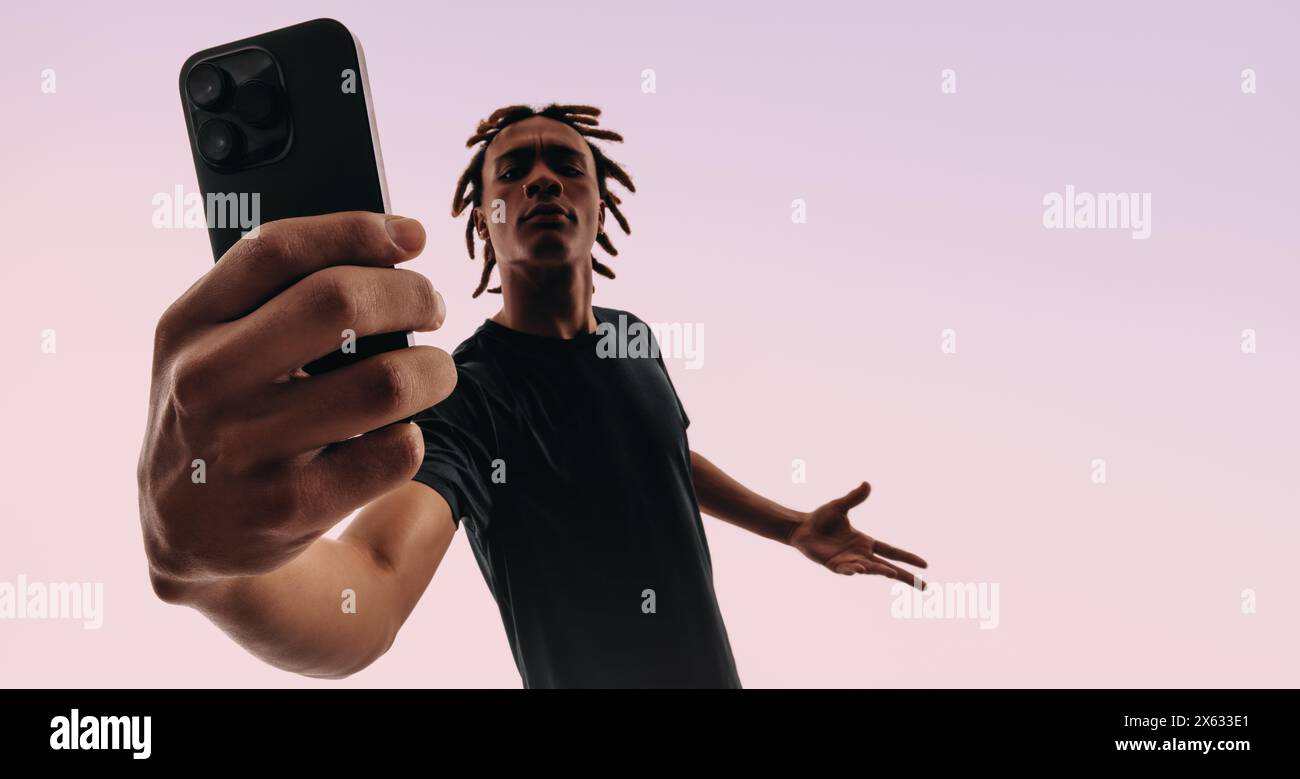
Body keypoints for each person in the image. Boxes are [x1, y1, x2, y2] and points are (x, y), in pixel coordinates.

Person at [136, 103, 927, 688]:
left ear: (600, 204)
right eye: (513, 171)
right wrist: (217, 569)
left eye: (564, 163)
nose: (541, 177)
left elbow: (660, 452)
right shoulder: (469, 396)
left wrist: (790, 526)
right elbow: (369, 584)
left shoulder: (634, 338)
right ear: (486, 219)